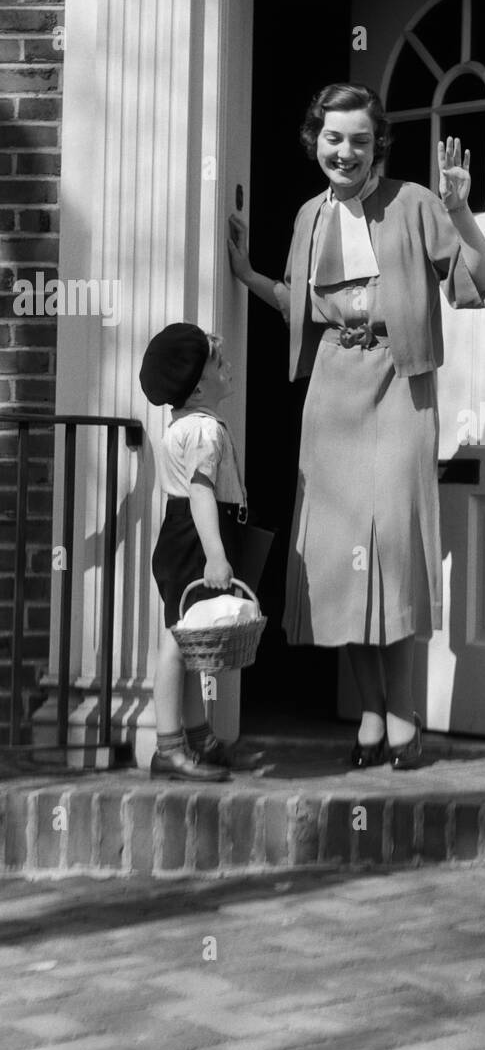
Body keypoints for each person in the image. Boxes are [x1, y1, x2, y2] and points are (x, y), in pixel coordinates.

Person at [227, 82, 485, 769]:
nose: (344, 152)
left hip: (400, 387)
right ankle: (372, 714)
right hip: (332, 397)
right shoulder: (307, 217)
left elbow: (476, 281)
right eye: (332, 138)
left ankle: (402, 710)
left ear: (378, 146)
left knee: (393, 553)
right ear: (314, 140)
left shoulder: (414, 203)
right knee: (343, 560)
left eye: (358, 140)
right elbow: (299, 305)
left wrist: (461, 212)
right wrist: (247, 275)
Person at [141, 324, 266, 781]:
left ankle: (201, 740)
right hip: (195, 539)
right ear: (198, 385)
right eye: (219, 364)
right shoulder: (202, 432)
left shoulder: (193, 427)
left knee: (191, 642)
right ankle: (168, 749)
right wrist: (215, 553)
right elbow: (199, 492)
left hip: (191, 536)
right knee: (178, 641)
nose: (228, 367)